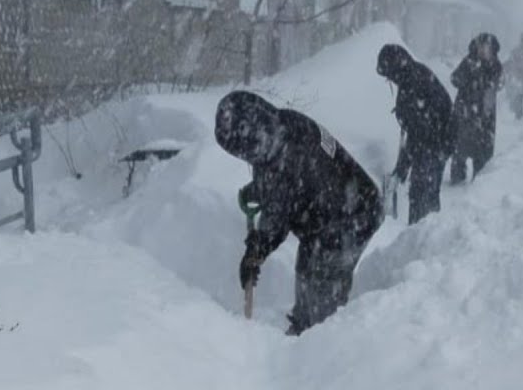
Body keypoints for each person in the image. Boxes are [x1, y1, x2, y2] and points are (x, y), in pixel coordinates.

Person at [215, 91, 383, 336]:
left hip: (353, 216)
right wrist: (259, 190)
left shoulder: (285, 157)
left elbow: (278, 214)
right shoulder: (283, 124)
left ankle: (322, 341)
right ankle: (304, 326)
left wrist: (255, 253)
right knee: (308, 263)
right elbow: (282, 180)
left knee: (324, 280)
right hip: (337, 205)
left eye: (244, 151)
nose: (246, 157)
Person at [376, 44, 454, 224]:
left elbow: (419, 129)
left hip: (436, 143)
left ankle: (422, 240)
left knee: (422, 194)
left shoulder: (415, 80)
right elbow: (415, 128)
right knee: (426, 194)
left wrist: (404, 165)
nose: (390, 79)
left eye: (389, 74)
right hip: (433, 141)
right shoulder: (410, 77)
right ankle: (427, 237)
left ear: (395, 67)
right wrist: (403, 167)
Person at [450, 33, 503, 183]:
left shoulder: (495, 64)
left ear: (492, 49)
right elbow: (454, 78)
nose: (483, 50)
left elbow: (500, 82)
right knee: (460, 144)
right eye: (481, 46)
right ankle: (458, 176)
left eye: (487, 47)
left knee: (484, 146)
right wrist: (468, 80)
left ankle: (480, 181)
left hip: (486, 113)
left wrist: (490, 85)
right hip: (465, 110)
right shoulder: (468, 61)